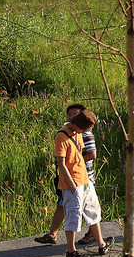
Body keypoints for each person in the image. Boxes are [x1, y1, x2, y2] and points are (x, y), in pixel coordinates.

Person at [37, 102, 99, 245]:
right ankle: (52, 234)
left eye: (75, 114)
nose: (71, 117)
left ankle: (90, 236)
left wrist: (73, 165)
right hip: (69, 177)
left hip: (83, 177)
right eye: (69, 114)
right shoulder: (67, 133)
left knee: (85, 208)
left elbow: (92, 154)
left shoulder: (85, 133)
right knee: (62, 204)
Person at [54, 108, 108, 257]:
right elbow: (61, 164)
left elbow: (79, 154)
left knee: (93, 211)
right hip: (72, 184)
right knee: (73, 214)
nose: (85, 133)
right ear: (78, 126)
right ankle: (71, 251)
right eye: (84, 130)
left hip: (85, 180)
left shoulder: (77, 134)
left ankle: (101, 244)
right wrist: (71, 184)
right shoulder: (61, 137)